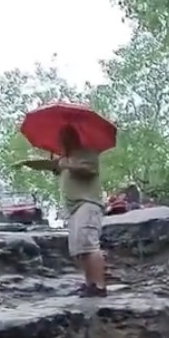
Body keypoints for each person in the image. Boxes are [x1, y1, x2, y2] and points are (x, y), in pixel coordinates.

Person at [17, 127, 106, 297]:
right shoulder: (65, 158)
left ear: (73, 138)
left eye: (64, 137)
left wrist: (68, 164)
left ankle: (99, 286)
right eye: (60, 138)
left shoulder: (87, 152)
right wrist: (27, 163)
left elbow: (90, 170)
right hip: (72, 209)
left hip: (87, 204)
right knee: (79, 248)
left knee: (89, 245)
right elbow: (51, 166)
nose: (61, 142)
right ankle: (90, 284)